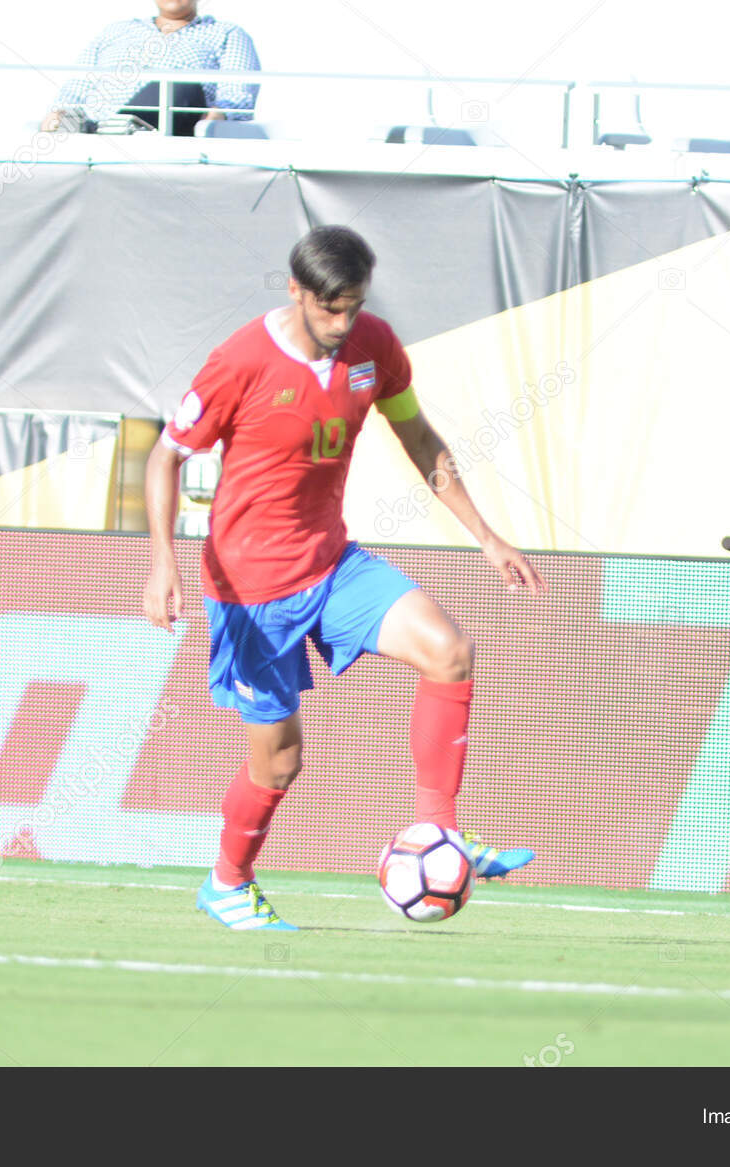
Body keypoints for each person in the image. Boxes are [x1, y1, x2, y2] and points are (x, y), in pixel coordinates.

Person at [143, 225, 547, 932]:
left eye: (353, 307)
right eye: (329, 308)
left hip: (331, 565)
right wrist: (160, 564)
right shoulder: (239, 362)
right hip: (251, 592)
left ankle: (440, 831)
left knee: (449, 650)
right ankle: (227, 882)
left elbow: (418, 437)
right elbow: (163, 458)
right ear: (295, 290)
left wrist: (485, 536)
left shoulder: (374, 349)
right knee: (280, 764)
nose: (341, 323)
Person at [42, 1, 260, 136]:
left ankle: (128, 130)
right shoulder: (116, 31)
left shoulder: (226, 33)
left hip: (176, 129)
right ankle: (107, 130)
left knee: (176, 86)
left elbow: (237, 96)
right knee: (66, 120)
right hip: (97, 128)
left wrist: (217, 118)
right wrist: (58, 111)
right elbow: (78, 84)